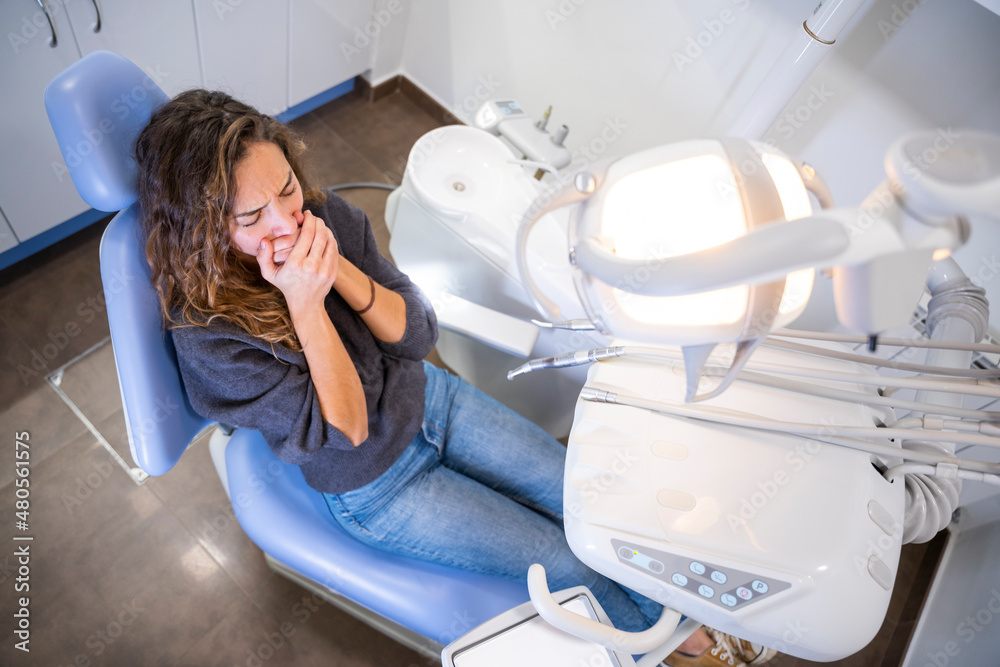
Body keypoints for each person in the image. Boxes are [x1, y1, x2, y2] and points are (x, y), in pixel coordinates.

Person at [134, 89, 774, 667]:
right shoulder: (210, 335)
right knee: (563, 561)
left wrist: (340, 275)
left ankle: (692, 606)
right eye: (253, 217)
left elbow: (417, 336)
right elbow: (350, 429)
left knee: (589, 496)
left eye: (287, 191)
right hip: (378, 485)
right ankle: (677, 648)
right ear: (204, 229)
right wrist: (304, 303)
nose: (287, 222)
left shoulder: (329, 220)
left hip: (434, 400)